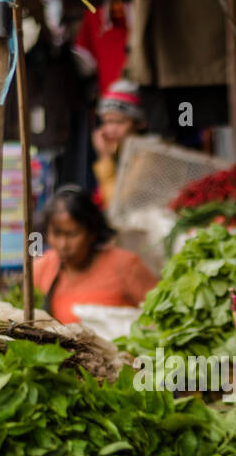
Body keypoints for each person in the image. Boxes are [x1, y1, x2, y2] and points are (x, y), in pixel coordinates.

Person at [32, 185, 157, 325]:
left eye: (72, 234)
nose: (63, 245)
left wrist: (159, 349)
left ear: (91, 232)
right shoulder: (40, 270)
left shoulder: (126, 266)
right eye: (56, 234)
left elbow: (160, 318)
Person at [91, 79, 146, 208]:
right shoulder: (119, 148)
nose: (110, 130)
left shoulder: (145, 155)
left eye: (119, 122)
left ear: (138, 123)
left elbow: (116, 205)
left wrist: (105, 158)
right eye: (106, 122)